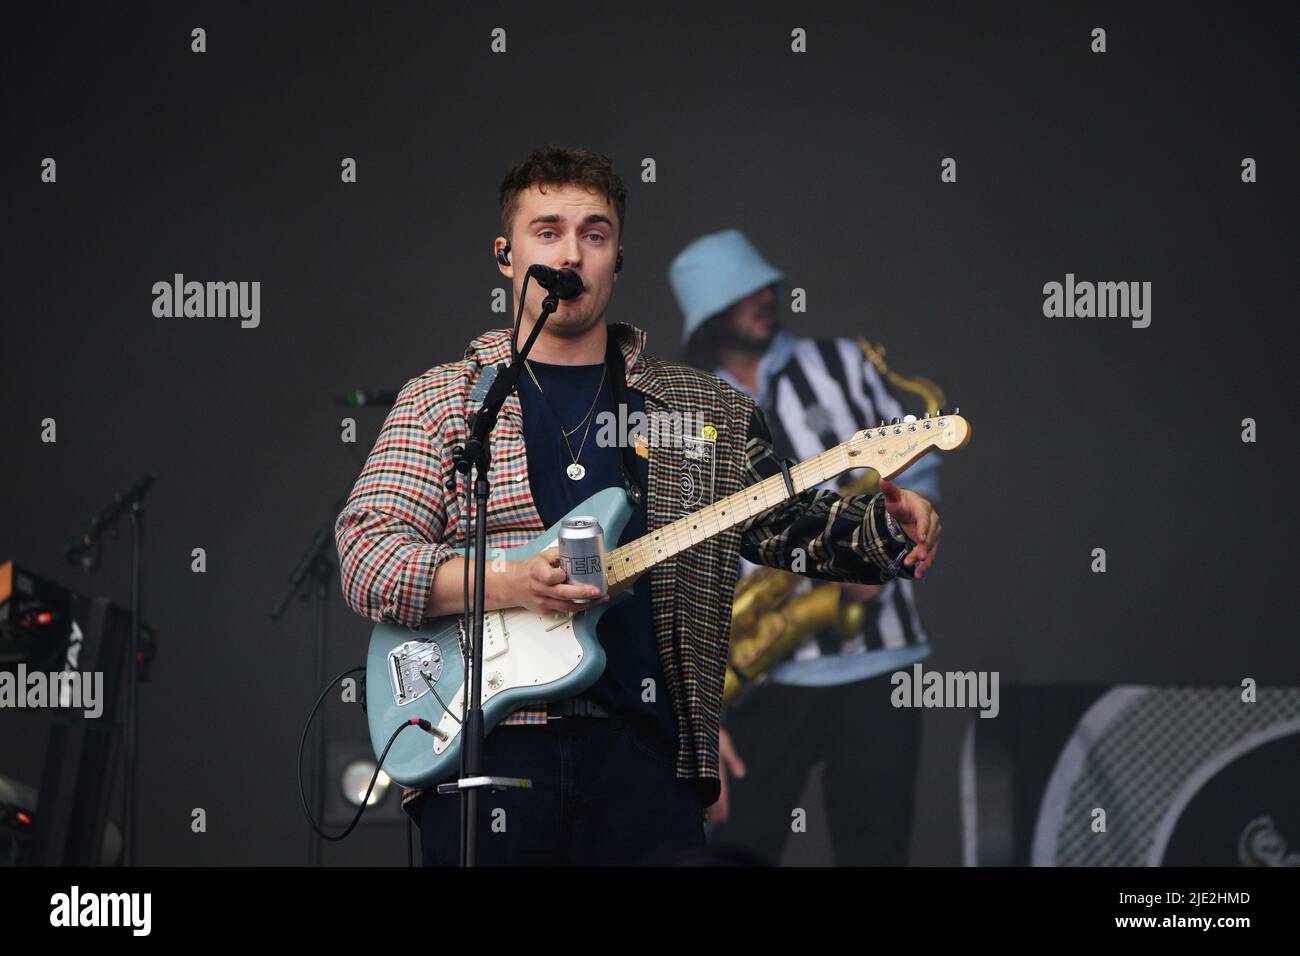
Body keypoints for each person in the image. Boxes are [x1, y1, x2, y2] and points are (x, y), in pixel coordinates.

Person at [334, 149, 942, 866]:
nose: (571, 252)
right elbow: (368, 556)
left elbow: (784, 526)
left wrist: (884, 530)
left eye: (594, 235)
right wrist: (510, 582)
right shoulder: (442, 399)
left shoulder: (697, 409)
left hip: (645, 755)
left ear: (617, 258)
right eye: (548, 231)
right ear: (506, 255)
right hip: (484, 749)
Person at [671, 229, 943, 865]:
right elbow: (685, 539)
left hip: (880, 668)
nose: (765, 297)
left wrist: (881, 546)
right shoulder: (687, 407)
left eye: (766, 284)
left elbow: (917, 464)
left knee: (877, 850)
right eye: (743, 292)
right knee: (737, 851)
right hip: (758, 674)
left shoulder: (844, 362)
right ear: (709, 312)